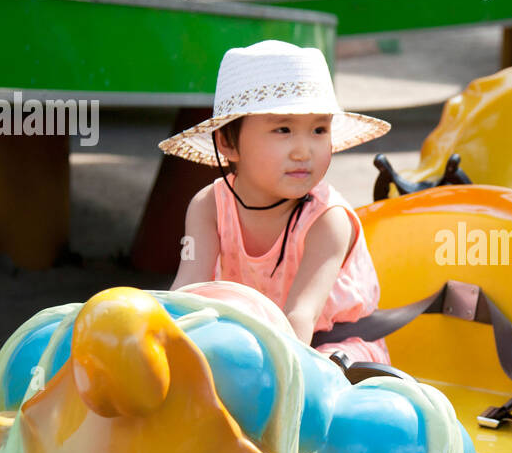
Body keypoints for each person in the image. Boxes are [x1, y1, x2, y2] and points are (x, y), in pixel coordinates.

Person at [162, 40, 392, 363]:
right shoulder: (209, 207)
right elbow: (187, 291)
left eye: (319, 130)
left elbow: (301, 316)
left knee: (330, 370)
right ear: (227, 143)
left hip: (328, 349)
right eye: (283, 129)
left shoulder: (328, 220)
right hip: (252, 344)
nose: (304, 151)